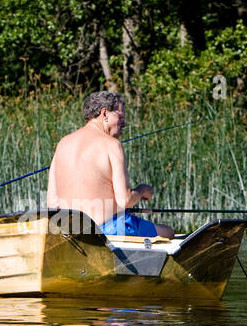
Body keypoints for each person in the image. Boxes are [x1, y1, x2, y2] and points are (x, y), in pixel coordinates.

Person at [46, 91, 174, 239]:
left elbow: (53, 203)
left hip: (71, 232)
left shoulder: (63, 143)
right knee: (168, 233)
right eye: (121, 117)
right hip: (107, 231)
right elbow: (124, 200)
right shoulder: (112, 145)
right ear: (104, 113)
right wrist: (142, 190)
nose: (124, 124)